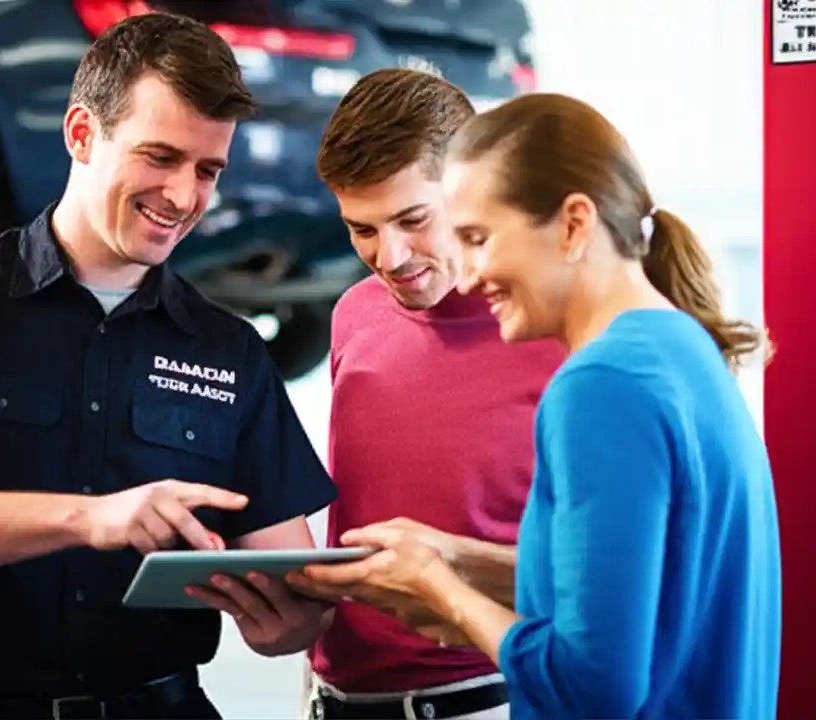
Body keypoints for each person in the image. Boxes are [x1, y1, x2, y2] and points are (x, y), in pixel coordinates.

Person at [0, 13, 338, 720]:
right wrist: (87, 519)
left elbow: (290, 590)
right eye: (159, 157)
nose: (183, 197)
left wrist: (288, 625)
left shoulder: (228, 350)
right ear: (82, 134)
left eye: (207, 170)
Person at [292, 92, 783, 720]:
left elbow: (594, 687)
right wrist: (453, 559)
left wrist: (440, 588)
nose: (470, 275)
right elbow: (631, 598)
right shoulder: (680, 348)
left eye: (479, 237)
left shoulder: (599, 383)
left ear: (575, 225)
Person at [198, 67, 566, 719]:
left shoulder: (555, 334)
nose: (389, 256)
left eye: (411, 219)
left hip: (490, 698)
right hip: (337, 700)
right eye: (361, 228)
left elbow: (602, 581)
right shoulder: (354, 314)